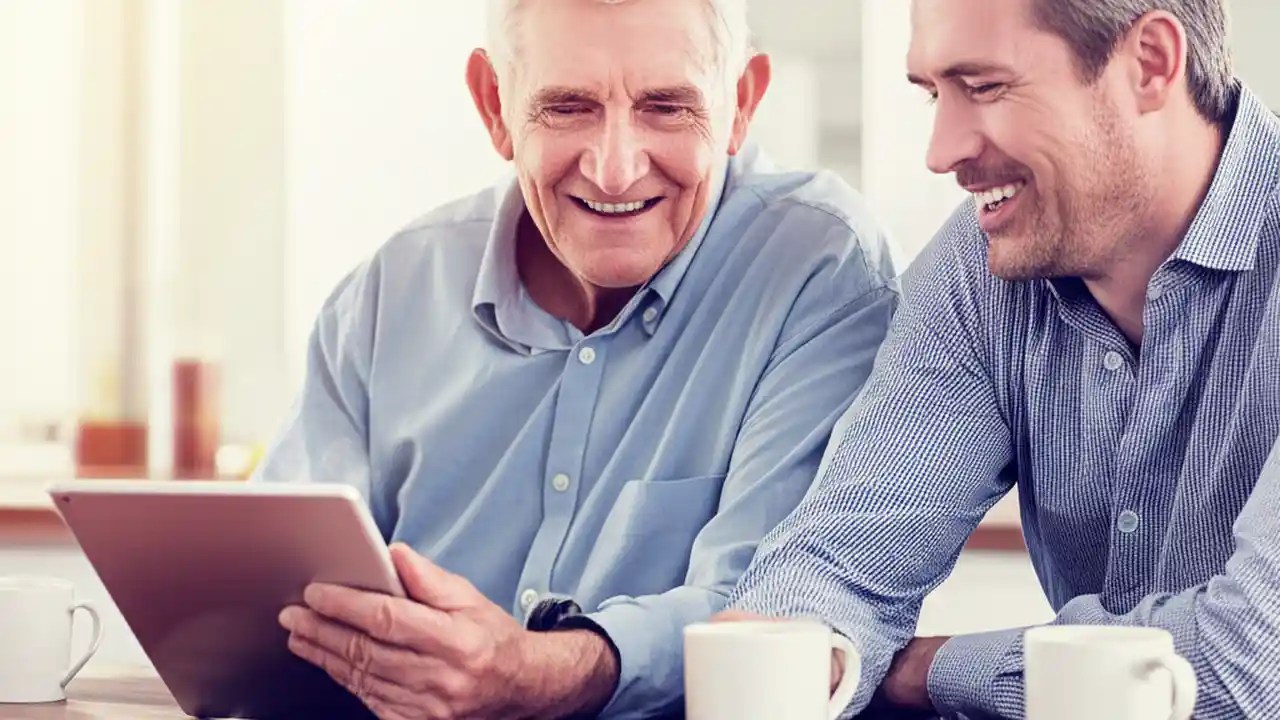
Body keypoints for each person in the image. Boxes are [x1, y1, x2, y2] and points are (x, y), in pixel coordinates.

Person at [254, 0, 897, 717]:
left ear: (740, 103)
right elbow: (265, 583)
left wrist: (537, 671)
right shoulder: (396, 286)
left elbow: (777, 617)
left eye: (666, 107)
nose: (615, 170)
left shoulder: (815, 264)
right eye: (567, 108)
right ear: (495, 106)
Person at [724, 0, 1280, 717]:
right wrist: (792, 648)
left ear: (1149, 65)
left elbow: (1250, 669)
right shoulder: (982, 265)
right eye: (934, 94)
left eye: (985, 87)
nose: (940, 152)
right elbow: (841, 565)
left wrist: (932, 670)